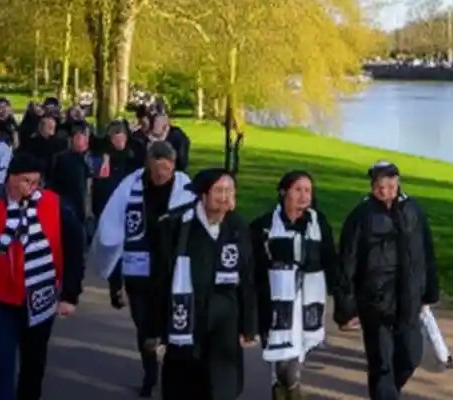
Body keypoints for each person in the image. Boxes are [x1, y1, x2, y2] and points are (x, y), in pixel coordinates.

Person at [0, 151, 84, 400]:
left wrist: (70, 295)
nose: (31, 188)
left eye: (36, 182)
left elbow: (74, 250)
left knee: (33, 364)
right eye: (26, 181)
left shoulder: (55, 205)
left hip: (40, 298)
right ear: (10, 179)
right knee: (1, 365)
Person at [92, 141, 193, 397]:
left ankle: (170, 372)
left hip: (172, 271)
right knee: (145, 327)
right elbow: (111, 233)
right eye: (158, 170)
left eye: (167, 170)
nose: (163, 176)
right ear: (148, 165)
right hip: (139, 271)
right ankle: (150, 371)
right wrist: (116, 284)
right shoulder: (130, 187)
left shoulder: (185, 188)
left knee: (173, 324)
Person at [149, 168, 257, 400]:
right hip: (187, 315)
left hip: (225, 317)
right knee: (185, 382)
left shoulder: (237, 227)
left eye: (230, 191)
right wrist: (157, 329)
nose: (225, 197)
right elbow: (160, 280)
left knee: (222, 385)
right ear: (203, 196)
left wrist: (249, 325)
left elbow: (247, 277)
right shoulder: (177, 226)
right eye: (219, 190)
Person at [336, 161, 440, 400]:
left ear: (398, 183)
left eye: (391, 184)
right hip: (375, 302)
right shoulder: (361, 216)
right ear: (373, 187)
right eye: (380, 185)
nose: (386, 190)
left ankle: (387, 392)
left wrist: (430, 291)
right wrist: (345, 307)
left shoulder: (413, 210)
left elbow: (427, 251)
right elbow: (347, 262)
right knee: (381, 363)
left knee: (411, 355)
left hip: (409, 299)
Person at [250, 172, 340, 400]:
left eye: (308, 190)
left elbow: (331, 261)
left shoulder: (319, 224)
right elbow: (253, 270)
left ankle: (283, 391)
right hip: (275, 305)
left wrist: (344, 303)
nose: (303, 196)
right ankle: (290, 391)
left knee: (293, 361)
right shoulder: (264, 226)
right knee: (285, 365)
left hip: (308, 303)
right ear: (283, 192)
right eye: (298, 190)